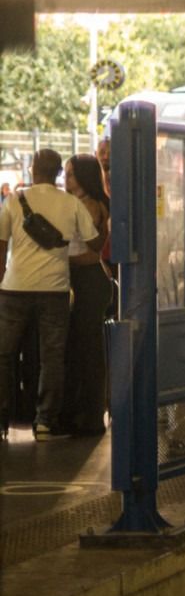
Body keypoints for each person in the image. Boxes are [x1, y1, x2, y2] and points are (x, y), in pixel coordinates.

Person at [0, 149, 98, 441]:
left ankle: (2, 419)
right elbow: (94, 243)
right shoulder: (71, 203)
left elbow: (0, 245)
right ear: (57, 173)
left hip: (14, 288)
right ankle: (45, 422)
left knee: (4, 355)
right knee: (51, 358)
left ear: (32, 169)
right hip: (54, 290)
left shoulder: (14, 201)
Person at [59, 154, 114, 436]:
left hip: (88, 281)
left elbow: (90, 253)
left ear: (83, 176)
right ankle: (86, 413)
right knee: (84, 348)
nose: (66, 179)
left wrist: (59, 259)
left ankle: (90, 416)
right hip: (88, 280)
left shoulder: (90, 206)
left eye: (70, 174)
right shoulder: (82, 204)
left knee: (87, 350)